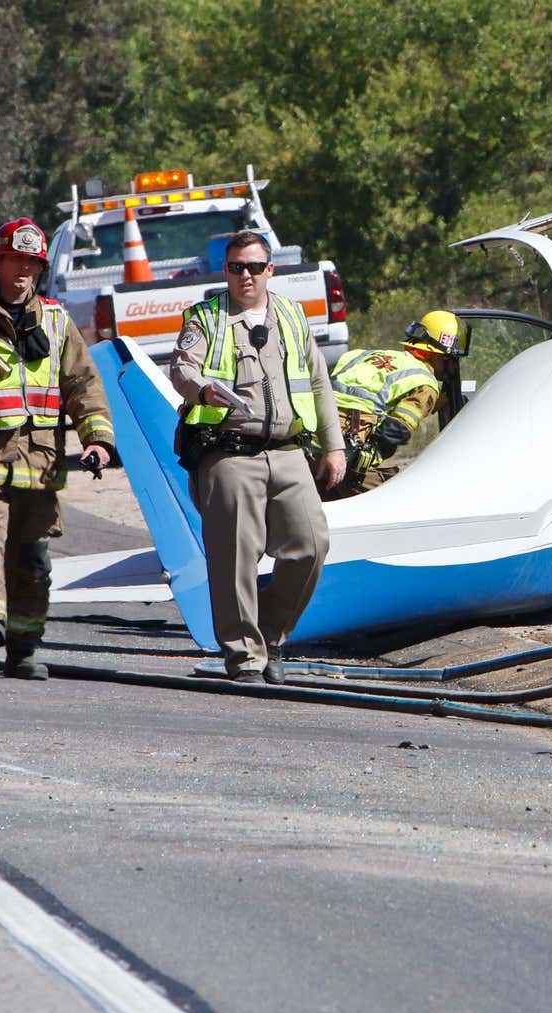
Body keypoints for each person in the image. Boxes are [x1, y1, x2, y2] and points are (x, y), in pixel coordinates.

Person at [0, 218, 116, 680]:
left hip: (39, 466)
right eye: (15, 260)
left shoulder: (56, 321)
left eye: (32, 264)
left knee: (32, 561)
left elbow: (83, 385)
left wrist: (98, 439)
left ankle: (23, 646)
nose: (23, 271)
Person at [169, 232, 347, 683]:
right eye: (235, 268)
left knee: (310, 545)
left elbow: (319, 381)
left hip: (288, 451)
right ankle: (245, 657)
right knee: (234, 559)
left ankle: (270, 636)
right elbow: (182, 368)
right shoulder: (205, 319)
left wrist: (334, 445)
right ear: (225, 272)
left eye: (253, 267)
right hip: (229, 453)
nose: (244, 275)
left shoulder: (291, 314)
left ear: (271, 270)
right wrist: (201, 388)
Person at [321, 310, 463, 501]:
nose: (453, 367)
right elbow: (395, 430)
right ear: (440, 356)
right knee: (407, 504)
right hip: (346, 461)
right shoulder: (424, 382)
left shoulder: (360, 355)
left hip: (312, 449)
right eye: (453, 360)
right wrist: (364, 459)